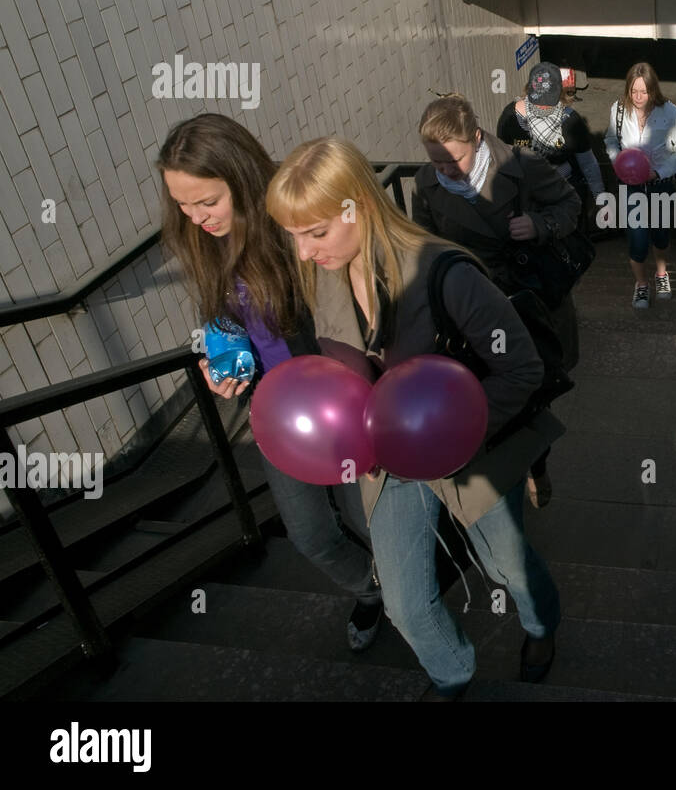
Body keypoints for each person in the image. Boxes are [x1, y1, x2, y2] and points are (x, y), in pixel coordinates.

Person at [266, 137, 563, 699]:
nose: (303, 252)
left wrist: (453, 431)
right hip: (387, 464)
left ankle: (541, 625)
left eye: (316, 232)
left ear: (358, 204)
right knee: (404, 601)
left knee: (508, 567)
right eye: (294, 236)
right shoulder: (322, 277)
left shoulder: (443, 272)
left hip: (465, 449)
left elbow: (521, 369)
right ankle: (452, 676)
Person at [155, 114, 384, 652]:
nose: (194, 217)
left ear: (241, 177)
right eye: (182, 204)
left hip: (338, 405)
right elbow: (223, 316)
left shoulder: (292, 229)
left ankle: (407, 591)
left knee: (368, 518)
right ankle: (374, 590)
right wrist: (221, 362)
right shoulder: (205, 243)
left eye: (207, 201)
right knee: (310, 535)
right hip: (275, 412)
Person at [410, 93, 581, 509]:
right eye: (438, 162)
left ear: (478, 138)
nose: (448, 170)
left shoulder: (522, 168)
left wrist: (539, 224)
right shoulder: (427, 184)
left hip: (527, 301)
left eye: (456, 159)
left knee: (531, 391)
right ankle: (505, 476)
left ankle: (536, 464)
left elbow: (571, 203)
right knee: (490, 393)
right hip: (470, 309)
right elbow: (424, 243)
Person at [603, 62, 676, 309]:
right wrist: (617, 162)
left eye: (644, 91)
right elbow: (611, 140)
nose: (638, 97)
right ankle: (641, 285)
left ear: (654, 90)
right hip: (632, 187)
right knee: (638, 240)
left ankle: (661, 275)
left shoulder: (671, 113)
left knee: (661, 237)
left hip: (661, 184)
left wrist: (659, 171)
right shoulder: (619, 110)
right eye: (633, 91)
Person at [496, 61, 605, 209]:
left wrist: (600, 198)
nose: (544, 107)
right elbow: (502, 161)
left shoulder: (571, 121)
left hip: (563, 190)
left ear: (560, 93)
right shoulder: (510, 118)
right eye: (539, 101)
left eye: (549, 101)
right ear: (529, 91)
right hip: (525, 195)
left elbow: (587, 163)